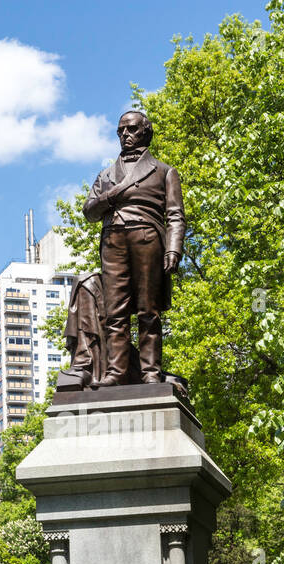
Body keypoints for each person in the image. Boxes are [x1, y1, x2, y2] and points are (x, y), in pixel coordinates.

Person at [82, 109, 185, 387]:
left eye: (131, 129)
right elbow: (89, 212)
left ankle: (151, 372)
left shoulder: (164, 171)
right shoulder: (106, 175)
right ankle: (116, 372)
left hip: (147, 238)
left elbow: (175, 215)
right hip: (113, 240)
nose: (125, 135)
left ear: (145, 132)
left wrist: (173, 250)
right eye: (120, 131)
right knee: (115, 312)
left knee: (148, 311)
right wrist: (108, 196)